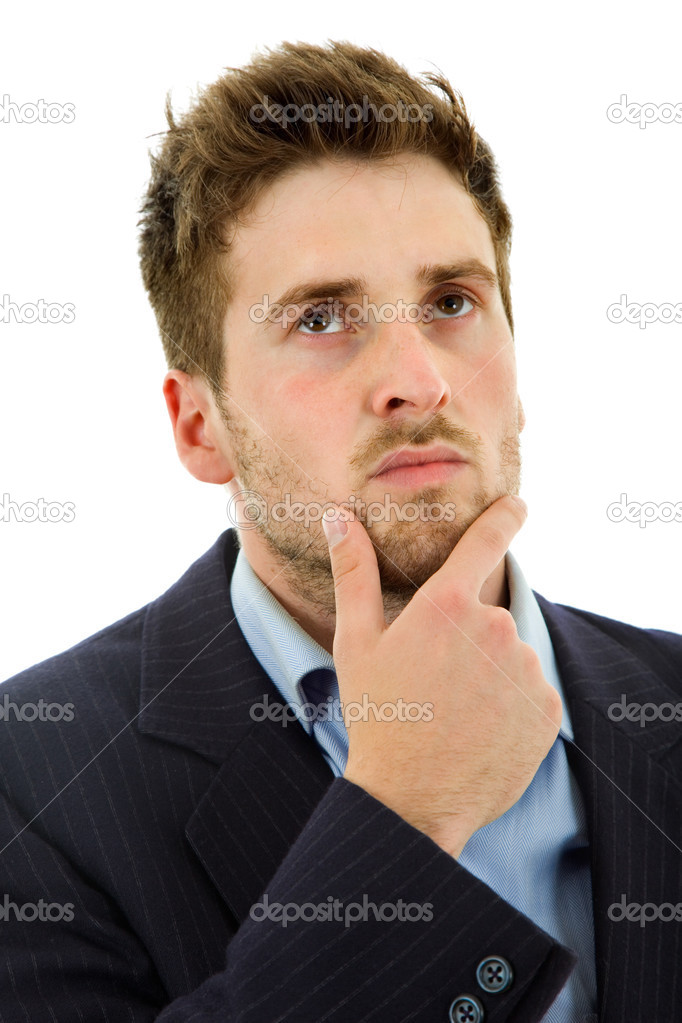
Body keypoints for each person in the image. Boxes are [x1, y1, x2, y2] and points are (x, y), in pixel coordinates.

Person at [0, 40, 680, 1023]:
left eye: (452, 302)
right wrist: (403, 816)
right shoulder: (31, 786)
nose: (421, 381)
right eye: (321, 319)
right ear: (200, 427)